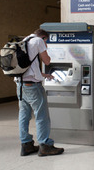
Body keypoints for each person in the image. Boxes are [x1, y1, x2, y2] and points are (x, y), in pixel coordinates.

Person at [17, 29, 64, 157]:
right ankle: (45, 145)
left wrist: (44, 75)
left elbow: (28, 68)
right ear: (43, 37)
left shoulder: (24, 40)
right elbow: (47, 61)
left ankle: (26, 145)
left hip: (20, 85)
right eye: (46, 41)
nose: (46, 43)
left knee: (24, 115)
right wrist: (45, 48)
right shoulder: (38, 41)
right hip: (33, 87)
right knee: (41, 116)